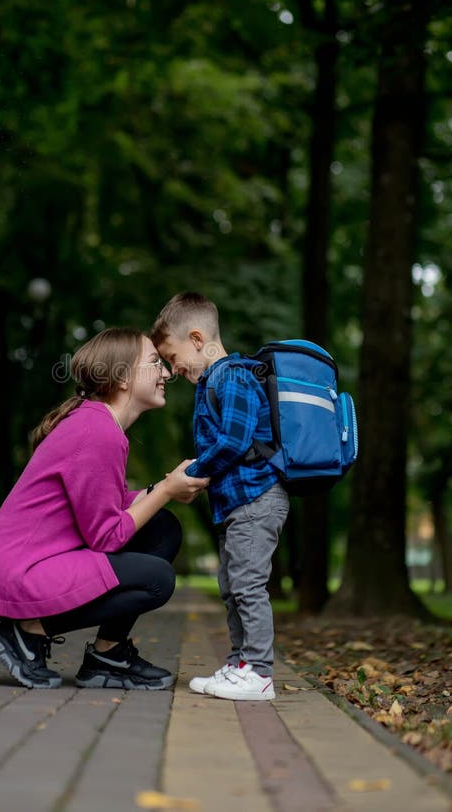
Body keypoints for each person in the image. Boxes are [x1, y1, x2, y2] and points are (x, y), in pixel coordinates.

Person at [0, 327, 209, 690]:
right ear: (122, 376)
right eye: (154, 363)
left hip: (32, 565)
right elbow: (106, 536)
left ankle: (108, 657)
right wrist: (163, 490)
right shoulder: (97, 431)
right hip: (17, 574)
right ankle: (27, 635)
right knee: (157, 579)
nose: (165, 373)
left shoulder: (97, 423)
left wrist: (161, 492)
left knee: (162, 528)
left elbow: (105, 507)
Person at [151, 293, 289, 701]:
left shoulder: (233, 376)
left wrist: (192, 474)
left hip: (257, 499)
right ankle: (239, 664)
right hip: (236, 504)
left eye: (173, 357)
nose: (173, 369)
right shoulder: (212, 381)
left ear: (197, 338)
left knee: (248, 584)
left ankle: (260, 672)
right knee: (231, 586)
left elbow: (233, 440)